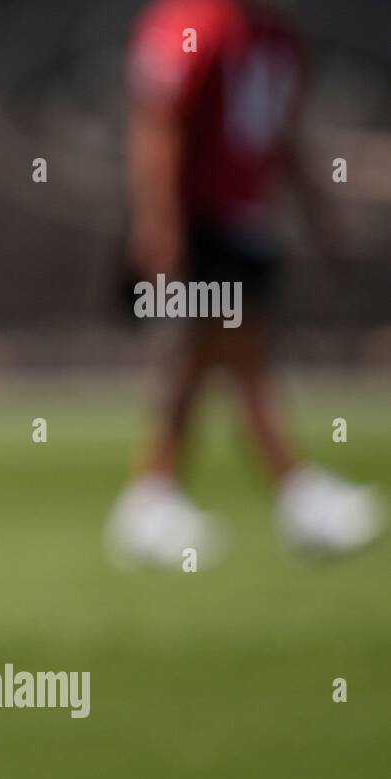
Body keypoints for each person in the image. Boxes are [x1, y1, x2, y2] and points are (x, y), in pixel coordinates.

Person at [107, 0, 382, 567]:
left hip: (246, 224)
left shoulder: (278, 36)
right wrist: (158, 223)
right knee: (237, 354)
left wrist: (318, 219)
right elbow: (157, 122)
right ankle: (297, 492)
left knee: (202, 359)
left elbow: (282, 136)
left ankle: (152, 497)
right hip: (199, 223)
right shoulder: (190, 23)